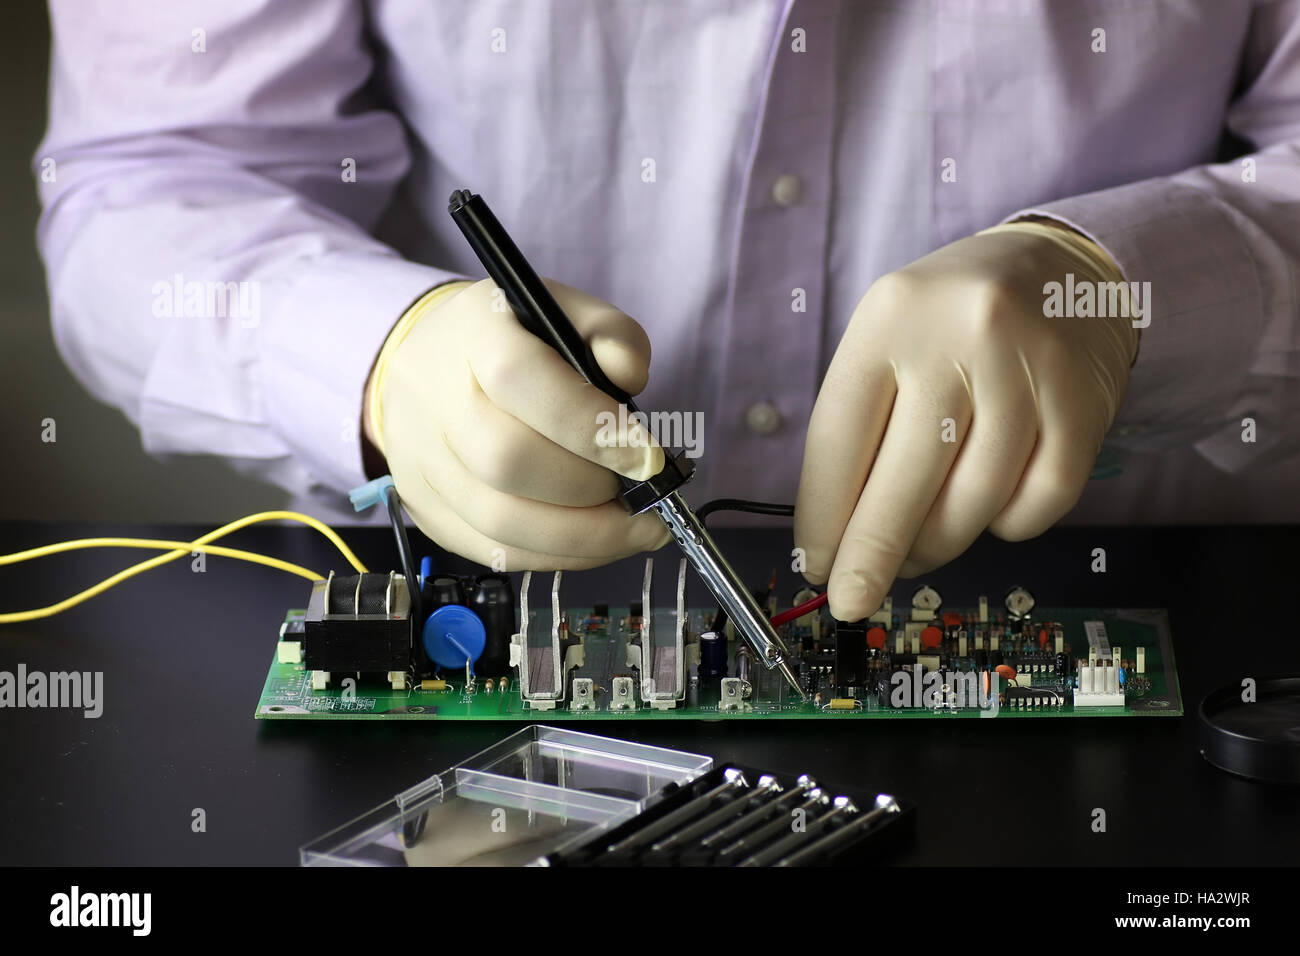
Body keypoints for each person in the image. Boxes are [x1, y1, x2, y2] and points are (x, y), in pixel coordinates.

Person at [35, 1, 1300, 621]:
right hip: (456, 615)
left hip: (1172, 616)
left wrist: (1122, 280)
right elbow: (155, 171)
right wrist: (380, 357)